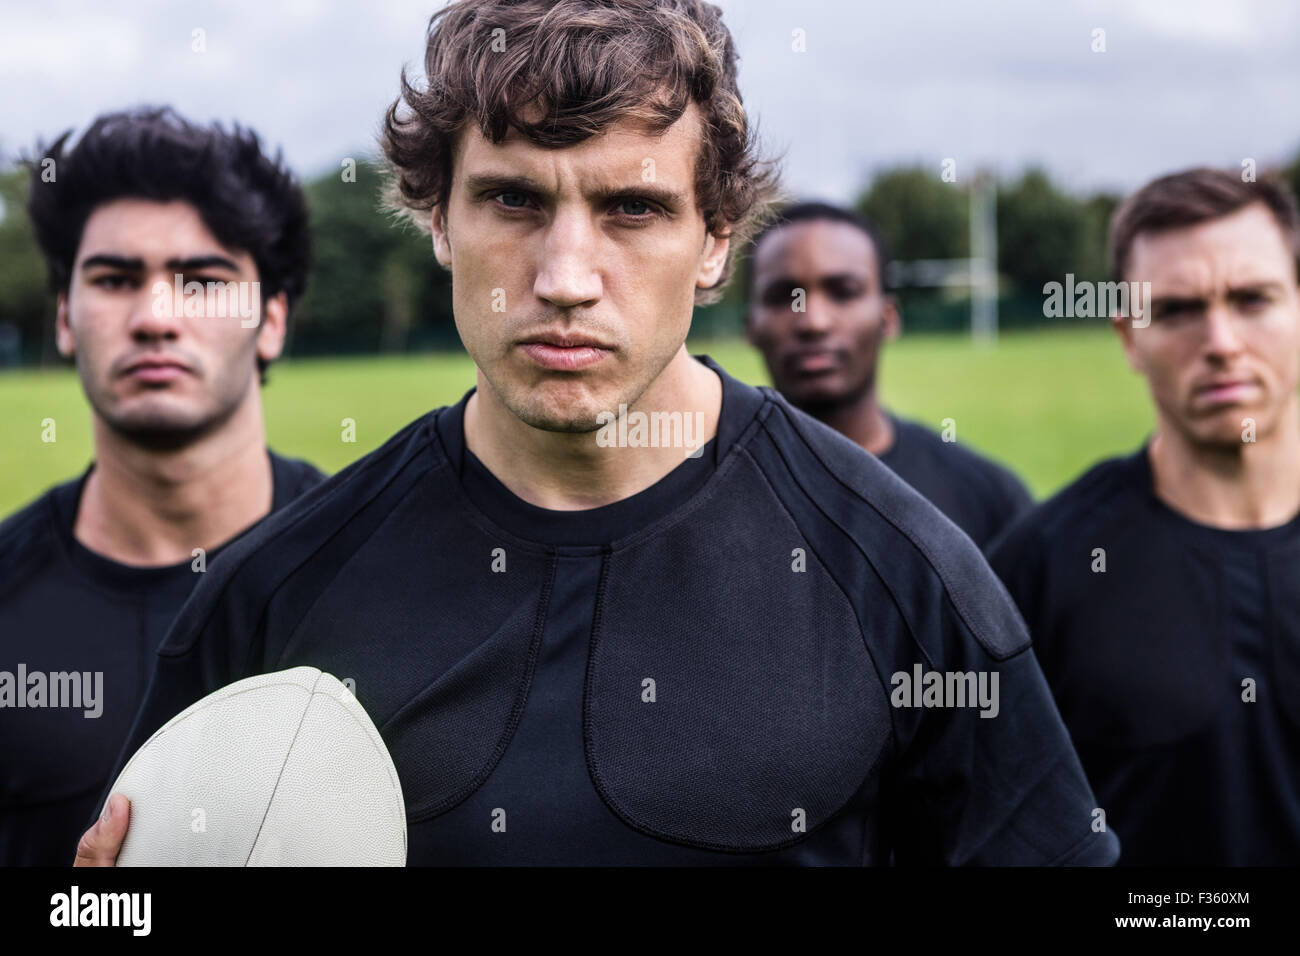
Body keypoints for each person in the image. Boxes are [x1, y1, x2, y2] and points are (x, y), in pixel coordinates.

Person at [77, 0, 1114, 867]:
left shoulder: (904, 578)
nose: (565, 277)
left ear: (714, 239)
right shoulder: (274, 593)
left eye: (630, 207)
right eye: (513, 199)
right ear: (439, 217)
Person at [0, 107, 323, 866]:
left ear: (271, 319)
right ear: (66, 319)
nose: (154, 317)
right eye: (114, 279)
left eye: (202, 281)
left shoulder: (381, 574)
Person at [987, 167, 1300, 864]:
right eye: (1179, 309)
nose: (1220, 340)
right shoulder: (1043, 566)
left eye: (1252, 299)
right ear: (1129, 337)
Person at [746, 201, 1033, 547]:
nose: (813, 321)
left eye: (843, 292)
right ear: (751, 327)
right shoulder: (704, 498)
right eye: (784, 297)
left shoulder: (988, 500)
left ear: (888, 318)